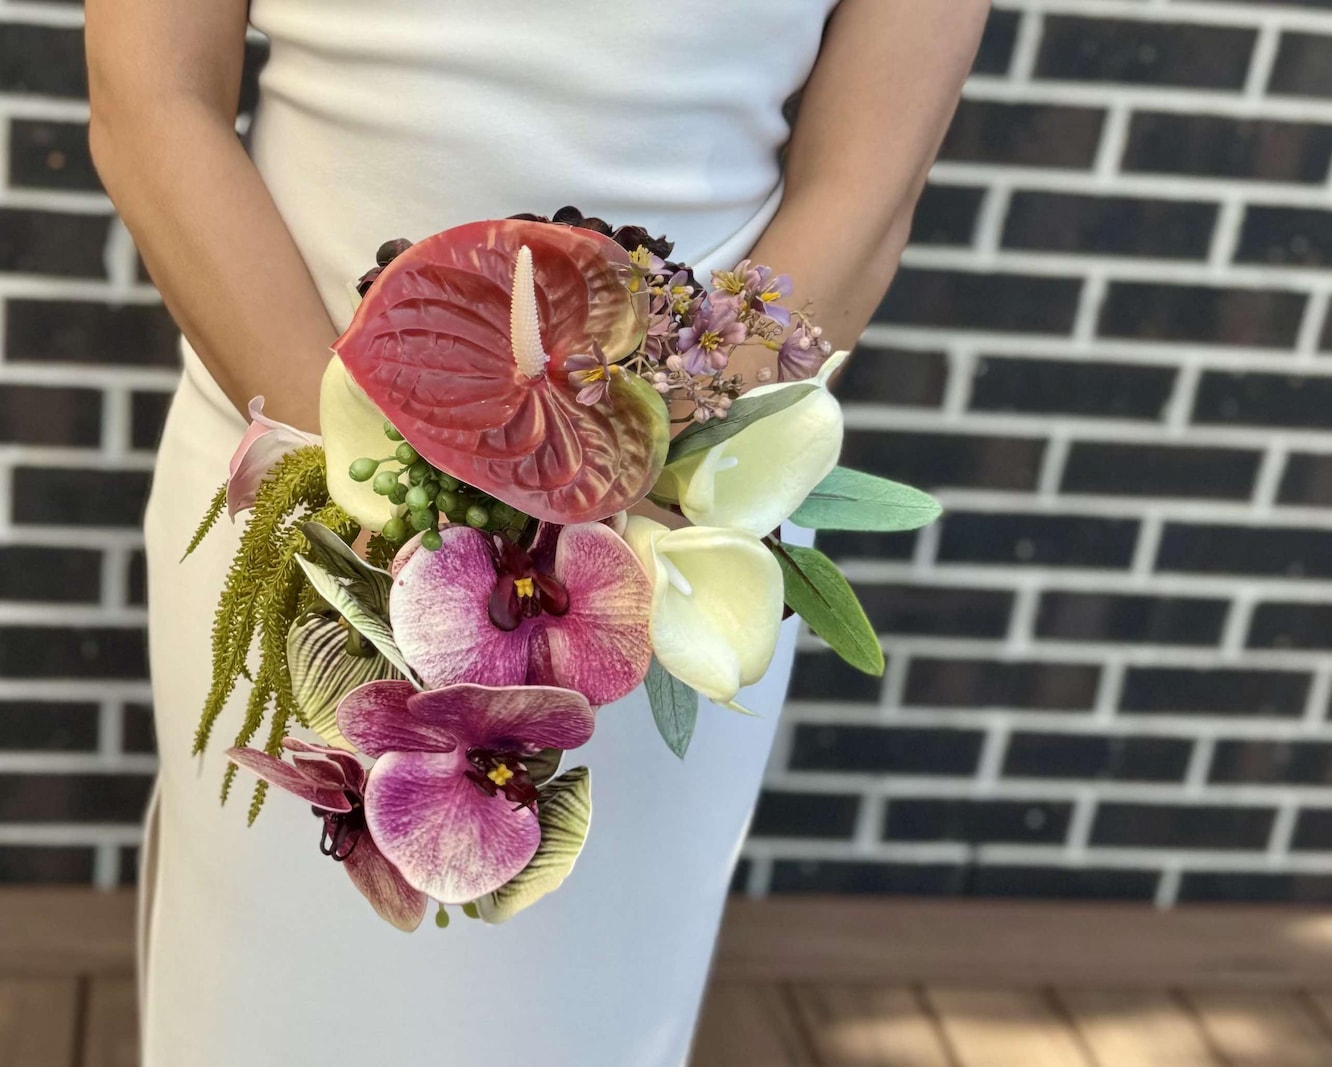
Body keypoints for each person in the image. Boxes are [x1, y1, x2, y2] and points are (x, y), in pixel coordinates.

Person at [86, 2, 987, 1063]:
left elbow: (864, 189)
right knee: (272, 986)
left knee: (580, 1007)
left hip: (664, 533)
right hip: (297, 458)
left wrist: (623, 495)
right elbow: (154, 100)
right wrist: (361, 484)